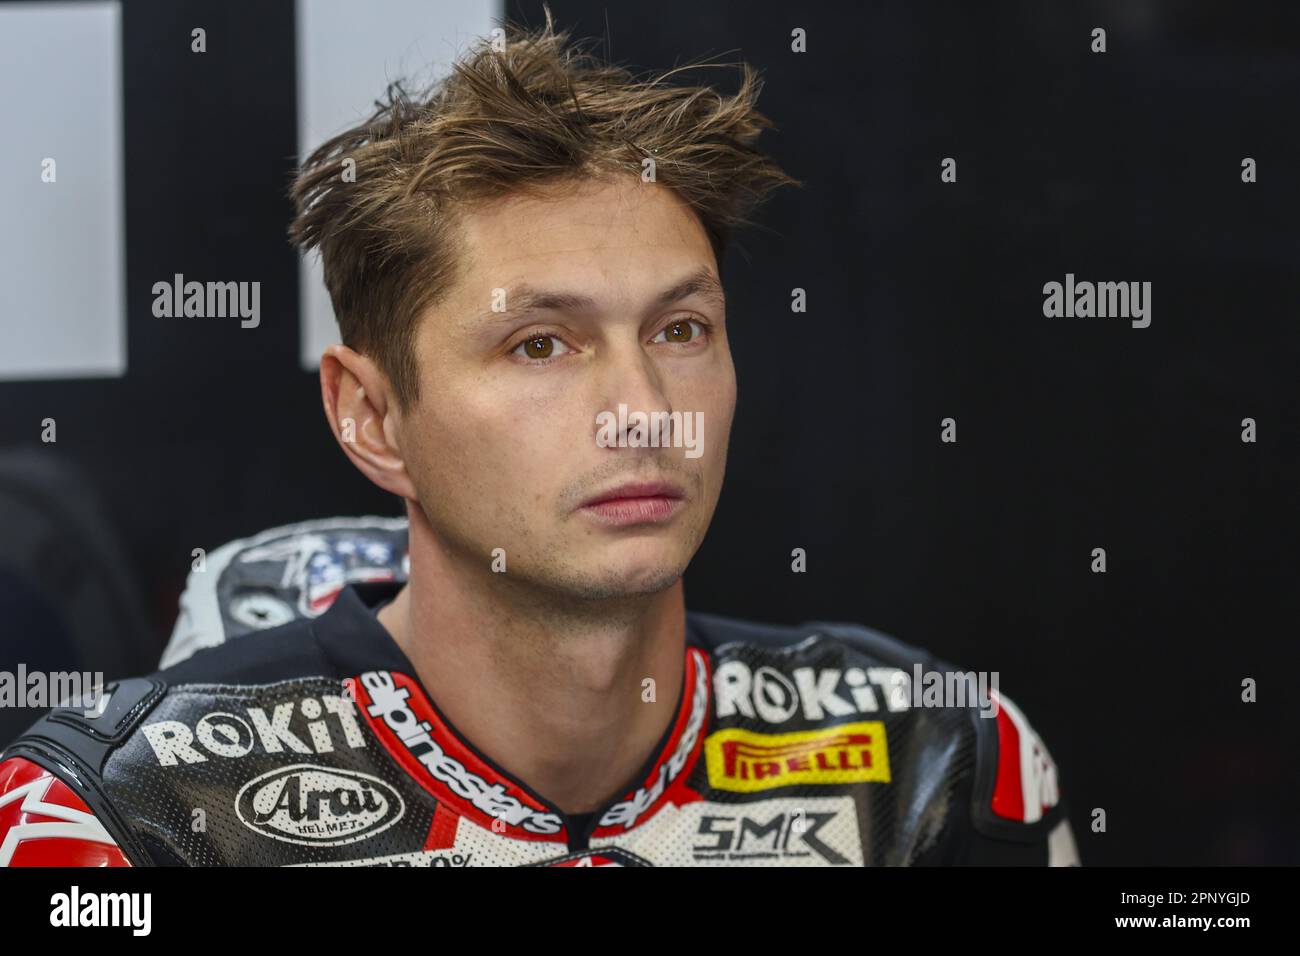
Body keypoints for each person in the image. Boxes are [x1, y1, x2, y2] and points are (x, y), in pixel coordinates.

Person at [0, 11, 1079, 867]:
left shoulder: (931, 758)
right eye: (539, 344)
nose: (642, 404)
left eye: (682, 328)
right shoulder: (123, 812)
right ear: (372, 418)